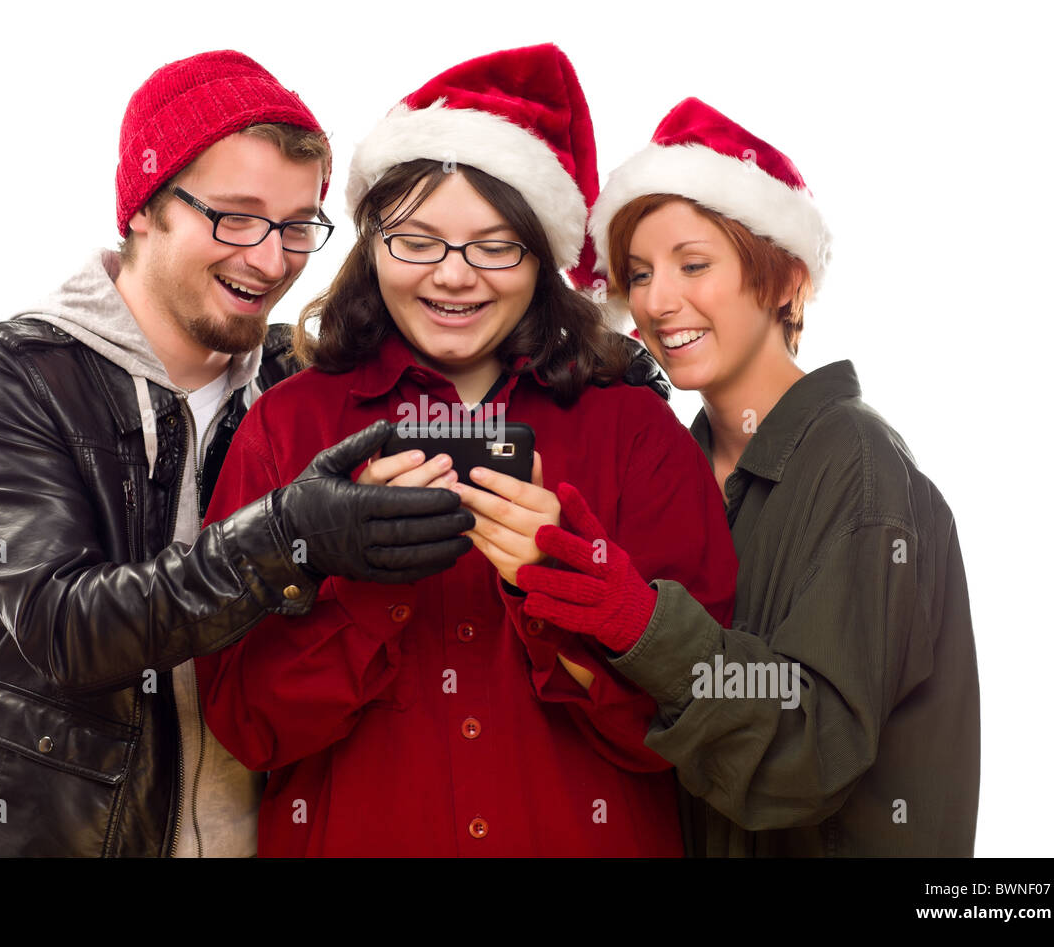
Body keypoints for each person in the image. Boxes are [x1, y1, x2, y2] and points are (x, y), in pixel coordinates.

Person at [195, 44, 736, 856]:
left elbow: (704, 730)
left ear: (542, 257)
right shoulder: (286, 428)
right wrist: (370, 582)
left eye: (494, 246)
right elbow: (248, 726)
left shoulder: (636, 433)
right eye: (416, 241)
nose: (454, 277)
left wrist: (572, 589)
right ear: (372, 244)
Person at [0, 50, 474, 858]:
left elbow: (465, 358)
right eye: (235, 216)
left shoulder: (299, 380)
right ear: (145, 207)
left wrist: (598, 370)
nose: (269, 258)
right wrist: (289, 534)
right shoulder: (12, 380)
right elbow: (64, 626)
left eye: (296, 226)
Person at [524, 96, 980, 855]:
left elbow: (812, 750)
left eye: (693, 264)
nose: (658, 301)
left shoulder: (861, 471)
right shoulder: (678, 467)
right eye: (638, 273)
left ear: (783, 279)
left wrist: (647, 629)